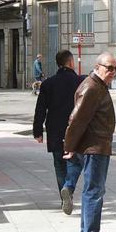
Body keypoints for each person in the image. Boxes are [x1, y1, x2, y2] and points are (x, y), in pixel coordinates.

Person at [63, 52, 116, 232]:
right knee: (94, 190)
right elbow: (76, 120)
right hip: (94, 147)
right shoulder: (92, 87)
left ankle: (89, 230)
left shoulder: (97, 85)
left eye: (115, 68)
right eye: (109, 68)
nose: (113, 72)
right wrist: (69, 147)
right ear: (98, 67)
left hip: (97, 145)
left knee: (93, 189)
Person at [32, 50, 86, 214]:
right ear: (70, 63)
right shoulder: (80, 82)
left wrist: (37, 131)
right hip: (75, 130)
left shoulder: (48, 84)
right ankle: (68, 189)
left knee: (59, 164)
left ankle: (64, 196)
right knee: (76, 162)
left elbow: (40, 108)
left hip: (55, 129)